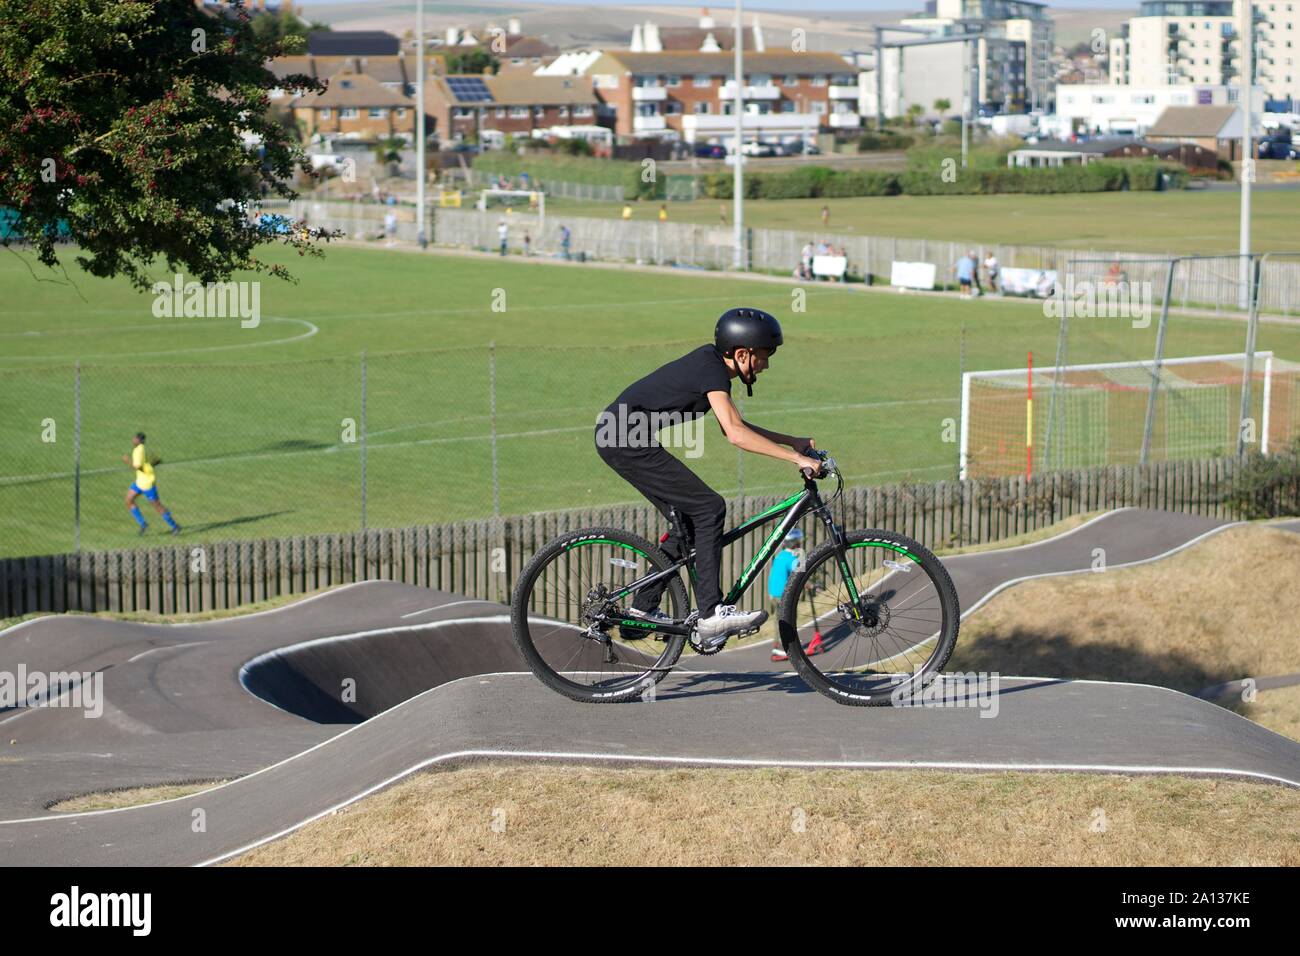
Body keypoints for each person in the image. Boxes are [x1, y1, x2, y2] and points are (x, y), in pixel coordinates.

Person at [594, 308, 821, 650]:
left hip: (624, 438)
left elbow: (735, 425)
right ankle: (711, 612)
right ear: (741, 354)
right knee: (708, 507)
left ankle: (641, 609)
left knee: (687, 520)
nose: (766, 365)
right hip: (623, 440)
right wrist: (796, 458)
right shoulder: (711, 370)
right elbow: (735, 434)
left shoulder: (712, 369)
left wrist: (792, 442)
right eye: (764, 356)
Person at [123, 432, 180, 536]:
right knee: (128, 500)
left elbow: (137, 467)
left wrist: (127, 461)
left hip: (147, 484)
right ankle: (143, 524)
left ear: (139, 441)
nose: (133, 440)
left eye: (135, 438)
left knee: (157, 506)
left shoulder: (138, 451)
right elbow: (147, 464)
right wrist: (155, 463)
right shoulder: (141, 450)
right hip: (140, 482)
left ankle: (175, 526)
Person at [766, 528, 804, 662]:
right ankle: (785, 648)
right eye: (799, 542)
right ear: (795, 543)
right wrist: (812, 585)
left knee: (780, 620)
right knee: (789, 620)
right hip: (783, 594)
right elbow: (800, 573)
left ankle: (777, 646)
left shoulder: (781, 555)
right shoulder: (792, 559)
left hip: (773, 593)